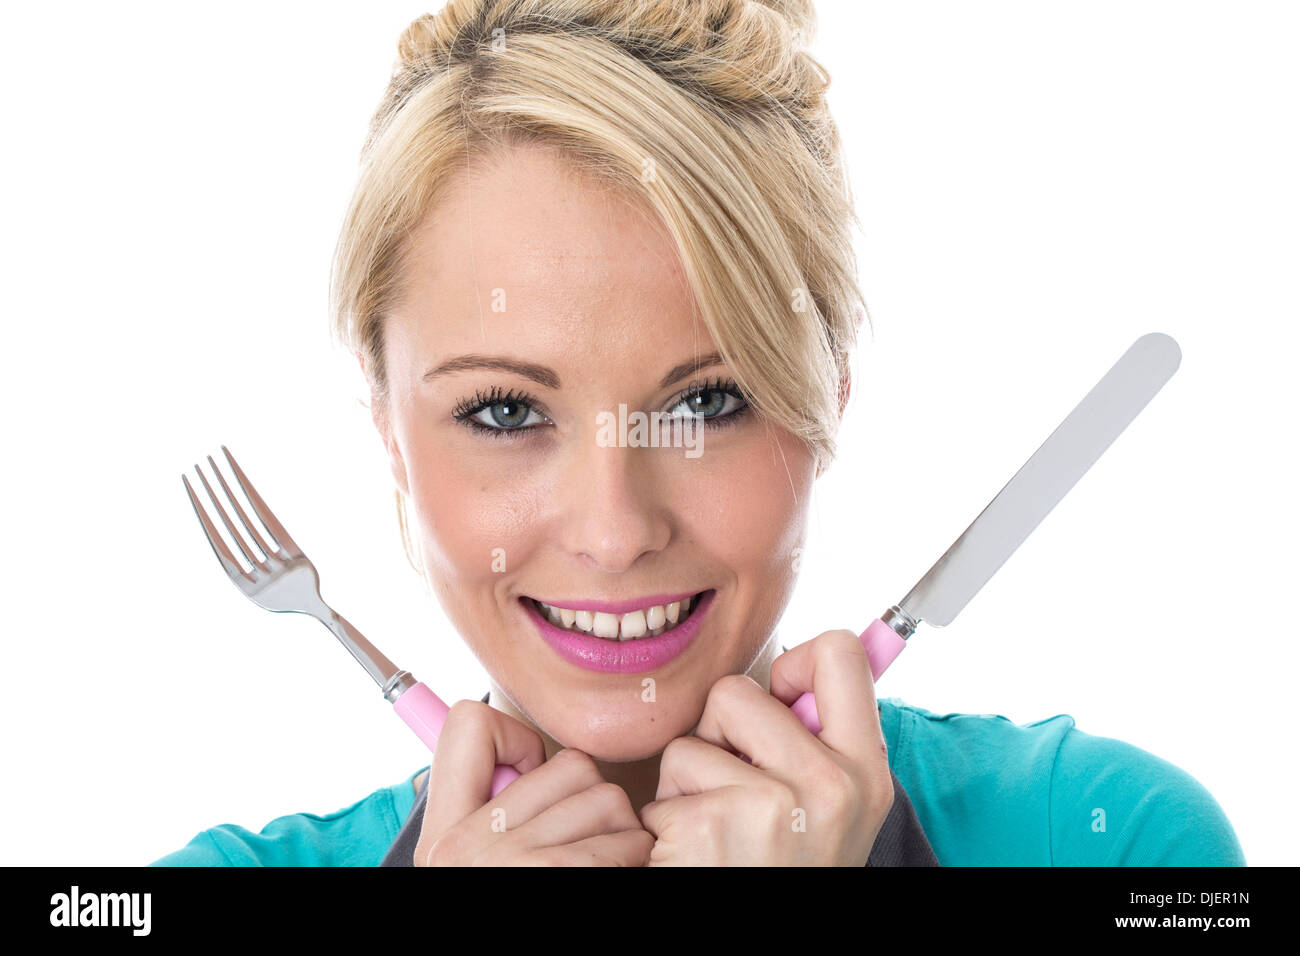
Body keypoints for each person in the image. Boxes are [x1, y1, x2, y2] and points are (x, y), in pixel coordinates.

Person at [151, 0, 1244, 866]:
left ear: (831, 396)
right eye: (505, 412)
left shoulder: (1116, 840)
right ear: (387, 425)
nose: (614, 531)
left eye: (705, 402)